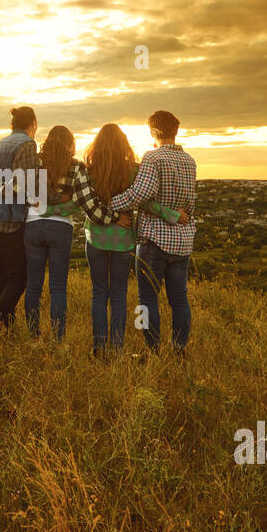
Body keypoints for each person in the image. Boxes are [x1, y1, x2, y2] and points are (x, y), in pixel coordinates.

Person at [45, 123, 186, 355]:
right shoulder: (134, 170)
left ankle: (99, 347)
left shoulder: (88, 170)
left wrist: (48, 211)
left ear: (97, 144)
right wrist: (172, 215)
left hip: (96, 238)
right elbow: (146, 203)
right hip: (124, 239)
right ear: (124, 144)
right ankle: (117, 348)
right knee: (119, 294)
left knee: (99, 293)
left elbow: (79, 203)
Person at [108, 110, 197, 354]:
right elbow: (189, 204)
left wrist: (110, 204)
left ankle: (153, 349)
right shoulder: (190, 161)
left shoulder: (153, 158)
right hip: (182, 240)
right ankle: (179, 349)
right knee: (179, 299)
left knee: (148, 300)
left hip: (153, 240)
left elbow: (140, 194)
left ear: (152, 132)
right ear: (175, 131)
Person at [0, 106, 37, 331]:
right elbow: (24, 182)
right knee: (19, 277)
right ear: (33, 123)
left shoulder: (0, 144)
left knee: (2, 279)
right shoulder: (27, 144)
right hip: (9, 220)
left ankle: (8, 331)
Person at [22, 125, 75, 339]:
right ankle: (57, 339)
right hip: (61, 226)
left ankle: (33, 337)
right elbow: (79, 200)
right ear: (69, 144)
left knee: (33, 285)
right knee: (58, 288)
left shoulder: (34, 162)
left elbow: (23, 191)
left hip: (33, 224)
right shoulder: (74, 166)